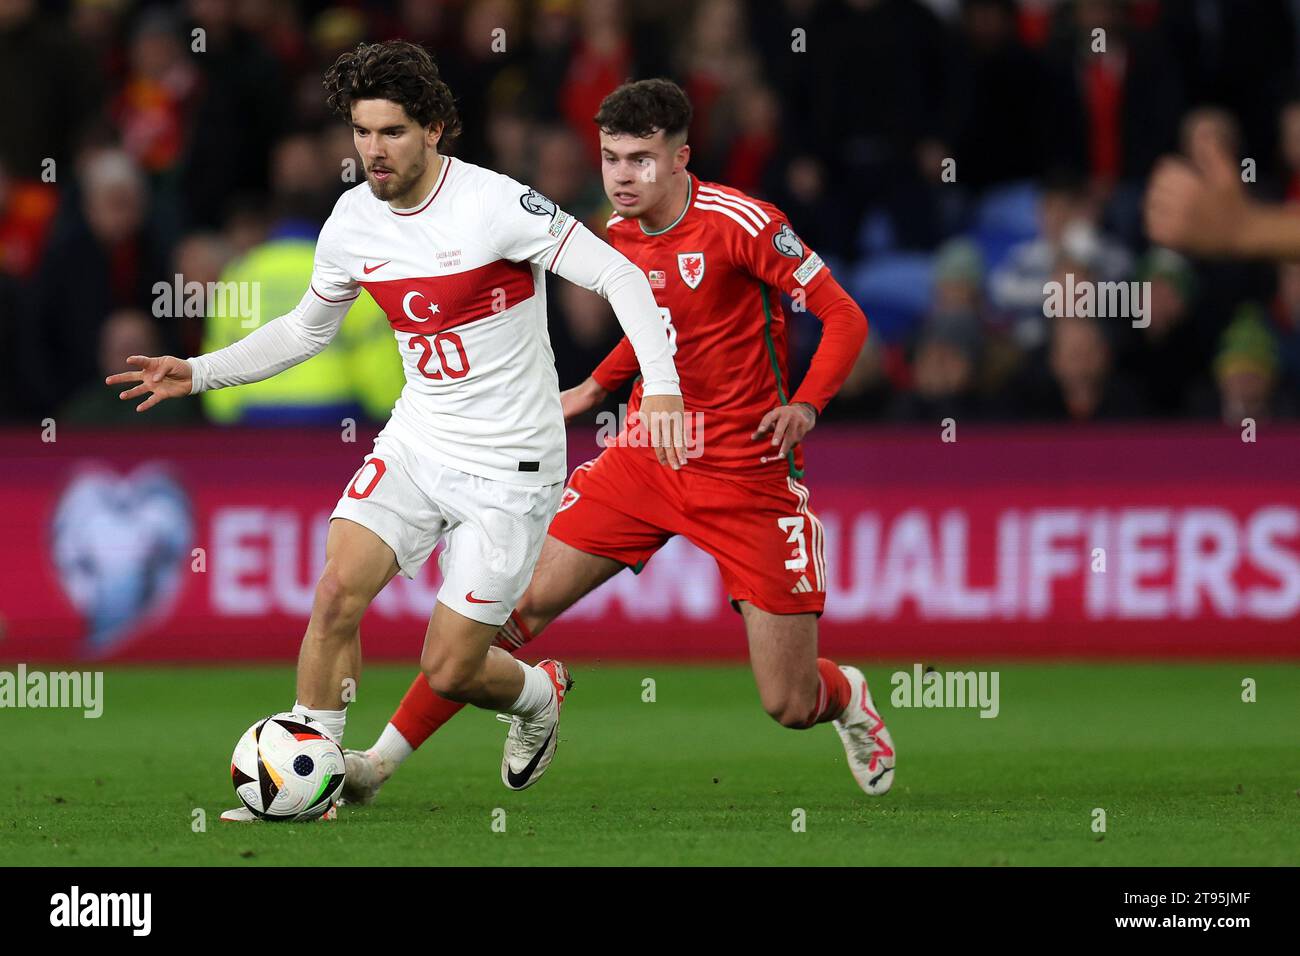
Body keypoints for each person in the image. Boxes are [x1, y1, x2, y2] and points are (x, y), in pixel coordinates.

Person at [104, 41, 685, 819]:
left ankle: (537, 694)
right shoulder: (352, 220)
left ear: (436, 129)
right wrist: (199, 371)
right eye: (361, 133)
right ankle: (313, 778)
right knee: (338, 588)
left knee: (449, 670)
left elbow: (617, 273)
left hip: (510, 464)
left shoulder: (496, 206)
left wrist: (665, 389)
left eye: (392, 133)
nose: (373, 152)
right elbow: (307, 329)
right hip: (418, 439)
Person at [342, 78, 895, 806]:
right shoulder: (618, 232)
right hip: (643, 460)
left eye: (640, 159)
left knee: (788, 703)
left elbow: (843, 315)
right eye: (610, 158)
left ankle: (846, 696)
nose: (622, 175)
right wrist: (598, 389)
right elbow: (653, 330)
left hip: (745, 476)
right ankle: (380, 765)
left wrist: (806, 404)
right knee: (502, 614)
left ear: (681, 157)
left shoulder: (745, 223)